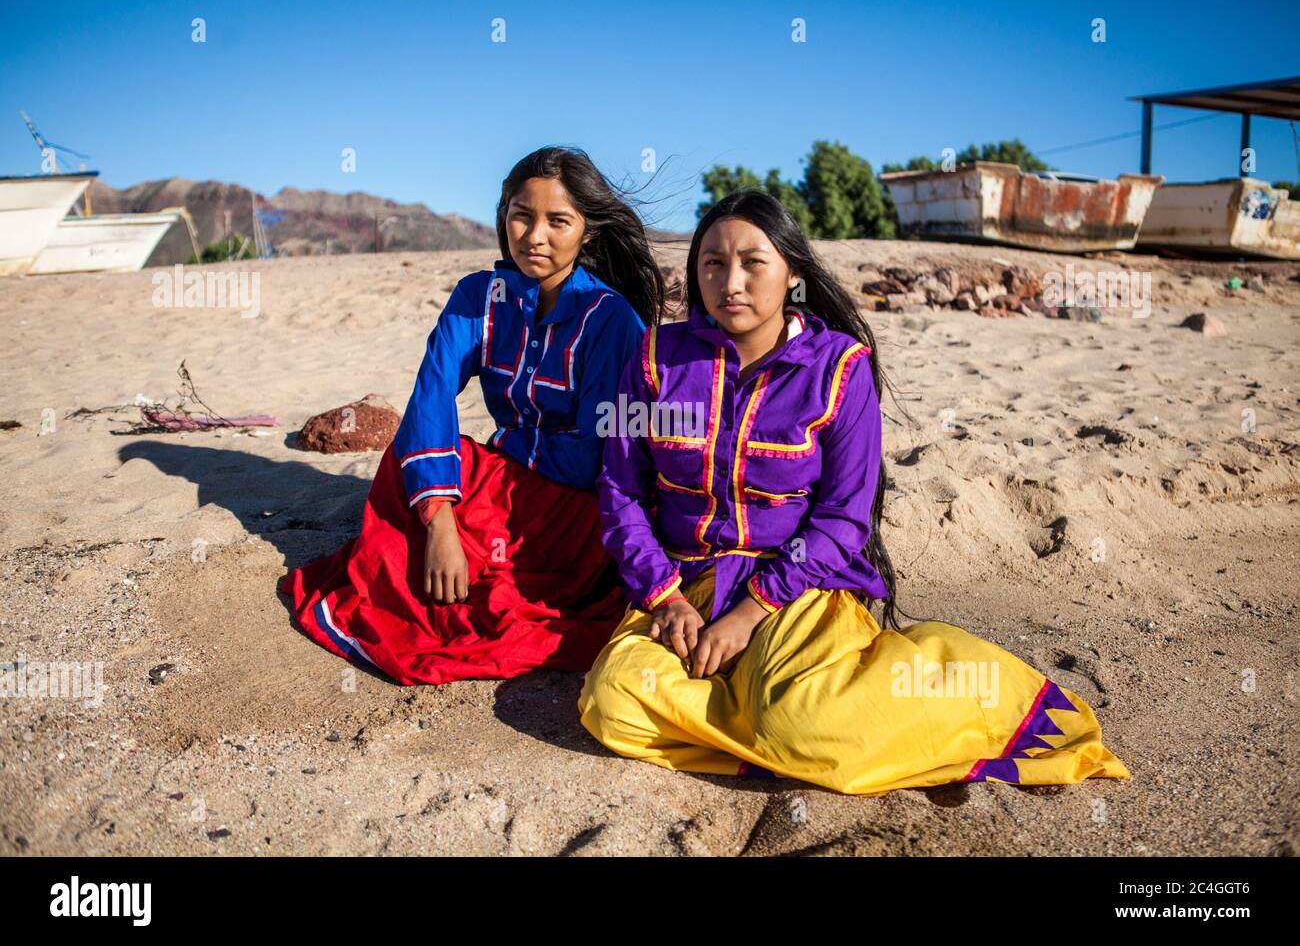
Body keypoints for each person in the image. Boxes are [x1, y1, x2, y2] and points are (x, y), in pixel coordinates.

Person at [577, 189, 1130, 795]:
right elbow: (621, 492)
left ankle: (932, 685)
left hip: (793, 588)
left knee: (805, 727)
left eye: (752, 262)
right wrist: (666, 599)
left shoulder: (839, 368)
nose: (729, 281)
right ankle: (763, 717)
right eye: (712, 262)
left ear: (792, 273)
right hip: (686, 583)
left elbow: (842, 521)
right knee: (611, 703)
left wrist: (746, 616)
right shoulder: (657, 358)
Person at [280, 147, 664, 685]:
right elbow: (431, 396)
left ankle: (464, 579)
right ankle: (449, 560)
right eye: (521, 216)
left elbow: (591, 455)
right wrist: (438, 520)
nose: (535, 236)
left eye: (558, 221)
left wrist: (506, 446)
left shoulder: (610, 319)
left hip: (578, 506)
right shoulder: (478, 297)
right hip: (512, 478)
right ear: (503, 215)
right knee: (408, 460)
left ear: (587, 232)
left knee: (463, 505)